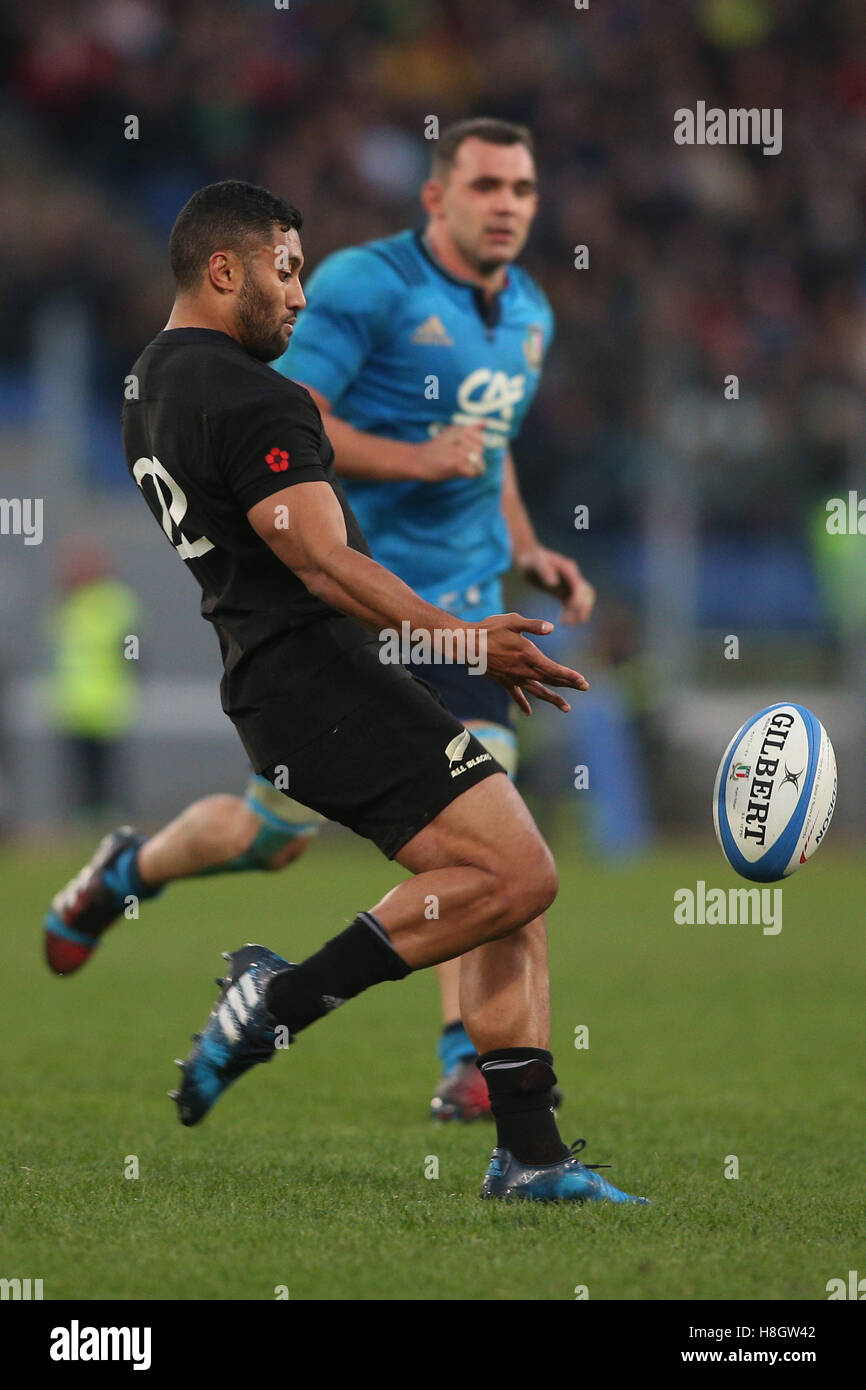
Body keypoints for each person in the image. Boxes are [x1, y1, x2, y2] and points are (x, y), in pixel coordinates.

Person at [69, 179, 648, 1203]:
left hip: (287, 678)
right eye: (286, 271)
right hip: (323, 678)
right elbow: (325, 564)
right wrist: (467, 642)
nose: (300, 297)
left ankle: (530, 1155)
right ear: (223, 269)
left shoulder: (146, 385)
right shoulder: (253, 396)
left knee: (504, 885)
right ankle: (280, 1002)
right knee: (519, 876)